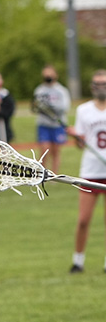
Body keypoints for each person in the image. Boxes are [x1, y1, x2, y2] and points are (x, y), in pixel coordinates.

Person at [67, 70, 106, 274]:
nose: (101, 87)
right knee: (83, 219)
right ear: (92, 86)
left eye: (104, 83)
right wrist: (76, 136)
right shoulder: (83, 110)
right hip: (90, 170)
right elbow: (80, 145)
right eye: (98, 83)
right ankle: (78, 261)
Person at [33, 65, 71, 172]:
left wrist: (51, 107)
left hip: (57, 125)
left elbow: (65, 107)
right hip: (44, 125)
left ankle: (54, 175)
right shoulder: (39, 90)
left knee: (56, 151)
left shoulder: (61, 91)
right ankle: (42, 173)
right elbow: (37, 105)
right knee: (44, 150)